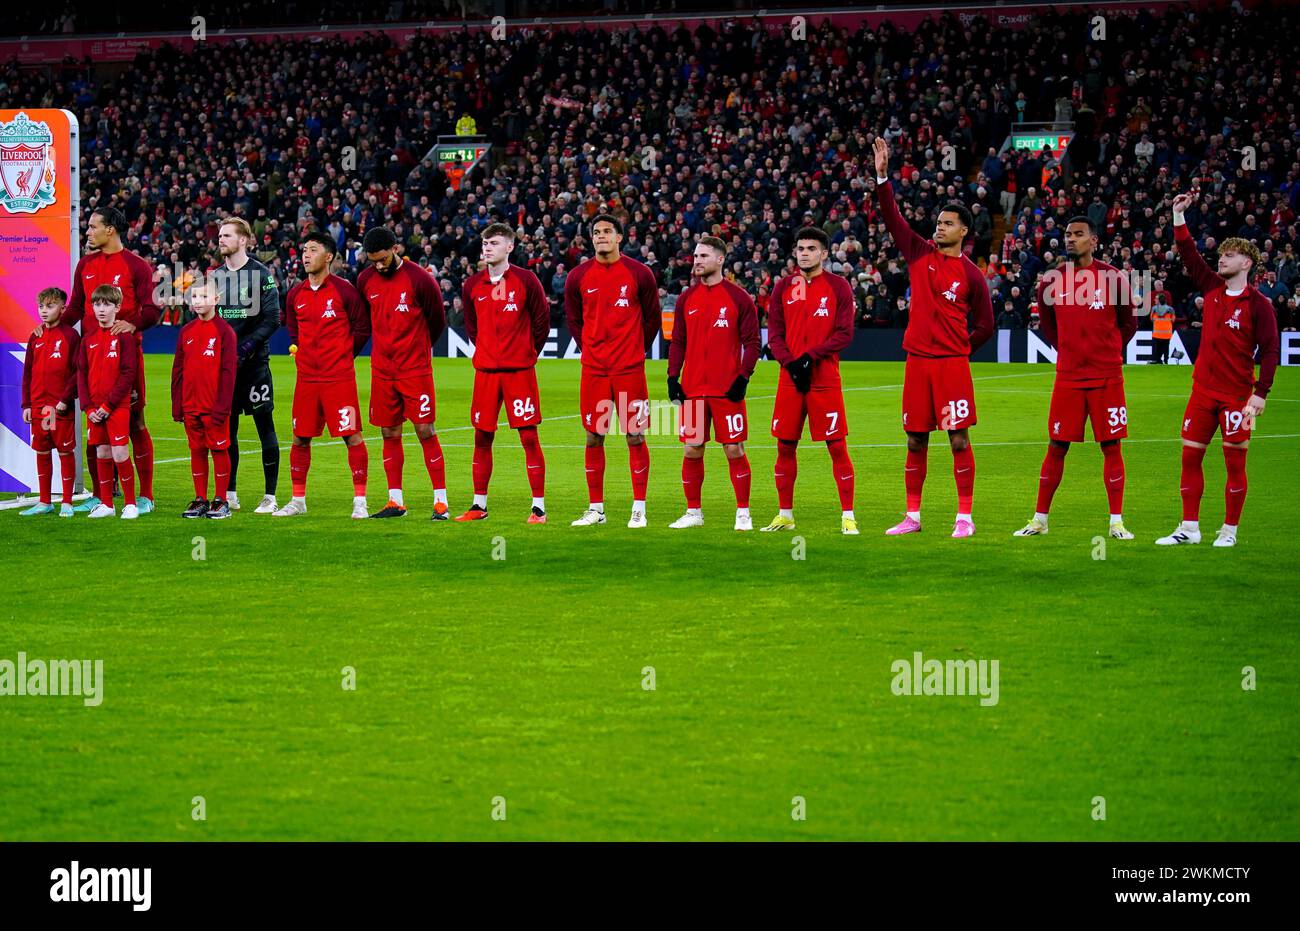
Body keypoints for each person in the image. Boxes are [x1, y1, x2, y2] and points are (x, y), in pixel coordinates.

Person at [872, 136, 994, 538]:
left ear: (963, 231)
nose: (938, 228)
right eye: (938, 223)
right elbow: (893, 219)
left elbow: (985, 326)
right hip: (917, 363)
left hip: (951, 366)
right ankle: (913, 516)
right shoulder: (919, 253)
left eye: (946, 224)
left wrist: (960, 351)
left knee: (958, 440)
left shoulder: (972, 275)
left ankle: (965, 517)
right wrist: (882, 177)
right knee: (914, 440)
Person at [1155, 191, 1280, 548]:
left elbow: (1270, 350)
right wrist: (1178, 216)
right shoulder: (1211, 288)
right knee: (1190, 457)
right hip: (1202, 392)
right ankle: (1189, 528)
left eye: (1230, 254)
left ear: (1247, 263)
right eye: (1222, 253)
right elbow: (1189, 255)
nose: (1222, 258)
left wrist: (1260, 394)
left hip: (1239, 398)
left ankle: (1229, 531)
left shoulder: (1259, 305)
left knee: (1234, 465)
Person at [1014, 217, 1138, 539]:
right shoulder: (1052, 281)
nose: (1070, 240)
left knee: (1111, 446)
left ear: (1094, 240)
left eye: (1078, 234)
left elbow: (1129, 325)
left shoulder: (1114, 278)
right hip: (1068, 376)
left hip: (1106, 376)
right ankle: (1040, 519)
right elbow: (1047, 323)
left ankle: (1116, 522)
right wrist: (1069, 351)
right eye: (1068, 234)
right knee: (1056, 445)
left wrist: (1105, 351)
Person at [760, 227, 859, 535]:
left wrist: (809, 358)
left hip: (824, 378)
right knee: (785, 445)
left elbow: (844, 333)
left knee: (837, 445)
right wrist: (791, 363)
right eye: (800, 248)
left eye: (810, 248)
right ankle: (785, 514)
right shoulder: (783, 287)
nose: (804, 253)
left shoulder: (839, 287)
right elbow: (774, 333)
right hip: (790, 379)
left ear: (824, 254)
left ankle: (848, 515)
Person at [62, 207, 160, 513]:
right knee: (95, 422)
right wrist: (51, 328)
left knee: (136, 421)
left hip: (125, 357)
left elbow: (153, 309)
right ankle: (102, 494)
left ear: (111, 230)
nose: (88, 232)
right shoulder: (85, 265)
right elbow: (76, 308)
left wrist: (133, 325)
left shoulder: (137, 266)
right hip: (91, 357)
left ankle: (145, 496)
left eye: (92, 227)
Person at [564, 214, 660, 528]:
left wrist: (633, 350)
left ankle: (639, 507)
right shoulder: (578, 276)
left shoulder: (639, 273)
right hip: (594, 370)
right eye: (596, 232)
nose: (601, 236)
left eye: (607, 231)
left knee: (634, 436)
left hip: (629, 370)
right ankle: (596, 509)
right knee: (593, 437)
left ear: (619, 237)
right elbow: (575, 320)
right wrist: (589, 349)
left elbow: (652, 319)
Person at [666, 236, 761, 531]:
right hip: (693, 390)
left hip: (726, 390)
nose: (696, 260)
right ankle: (693, 512)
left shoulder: (738, 297)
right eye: (695, 256)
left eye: (703, 256)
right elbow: (678, 341)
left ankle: (743, 512)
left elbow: (753, 342)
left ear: (720, 260)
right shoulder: (686, 299)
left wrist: (743, 377)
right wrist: (673, 376)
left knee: (734, 449)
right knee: (692, 449)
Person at [457, 223, 550, 523]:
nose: (486, 247)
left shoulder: (526, 280)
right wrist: (486, 352)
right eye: (484, 243)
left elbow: (541, 323)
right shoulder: (472, 285)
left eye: (494, 243)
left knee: (528, 438)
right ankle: (478, 505)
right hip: (485, 373)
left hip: (519, 372)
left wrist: (525, 354)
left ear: (510, 247)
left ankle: (538, 507)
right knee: (482, 437)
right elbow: (472, 327)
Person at [355, 226, 450, 520]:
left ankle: (441, 503)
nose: (379, 266)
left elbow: (437, 321)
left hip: (415, 370)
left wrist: (417, 350)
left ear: (395, 249)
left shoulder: (420, 279)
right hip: (382, 370)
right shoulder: (365, 280)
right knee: (388, 431)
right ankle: (395, 501)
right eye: (373, 261)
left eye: (383, 259)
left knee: (424, 430)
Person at [275, 232, 371, 518]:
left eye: (313, 250)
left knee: (351, 436)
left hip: (338, 379)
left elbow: (362, 328)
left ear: (328, 256)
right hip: (306, 380)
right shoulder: (295, 293)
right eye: (304, 250)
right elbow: (293, 328)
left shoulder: (345, 291)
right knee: (300, 438)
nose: (305, 255)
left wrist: (342, 357)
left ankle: (360, 501)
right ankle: (298, 500)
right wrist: (300, 352)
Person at [207, 216, 281, 514]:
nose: (220, 239)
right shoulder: (215, 276)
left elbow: (273, 318)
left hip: (254, 366)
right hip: (225, 368)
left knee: (265, 426)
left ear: (243, 240)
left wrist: (247, 346)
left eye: (227, 235)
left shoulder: (261, 275)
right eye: (220, 235)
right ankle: (231, 492)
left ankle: (270, 496)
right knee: (229, 429)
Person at [171, 279, 238, 519]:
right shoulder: (186, 331)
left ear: (216, 300)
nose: (198, 302)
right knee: (197, 450)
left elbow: (229, 373)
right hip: (191, 405)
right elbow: (177, 370)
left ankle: (221, 500)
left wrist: (222, 407)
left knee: (219, 450)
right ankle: (200, 498)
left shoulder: (224, 332)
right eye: (195, 297)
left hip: (214, 407)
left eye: (204, 297)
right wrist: (177, 403)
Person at [76, 285, 140, 520]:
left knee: (120, 452)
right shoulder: (88, 340)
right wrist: (89, 407)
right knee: (102, 452)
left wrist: (107, 406)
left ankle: (131, 504)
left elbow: (127, 374)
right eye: (97, 304)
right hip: (94, 409)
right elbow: (81, 375)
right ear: (92, 307)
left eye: (107, 304)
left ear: (117, 307)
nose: (102, 309)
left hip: (117, 407)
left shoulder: (124, 337)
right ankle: (106, 504)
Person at [20, 287, 79, 517]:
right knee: (42, 451)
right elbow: (28, 373)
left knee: (65, 451)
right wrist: (26, 404)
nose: (44, 311)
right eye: (41, 307)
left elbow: (76, 372)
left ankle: (66, 501)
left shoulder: (70, 336)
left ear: (62, 309)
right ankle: (45, 502)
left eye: (50, 306)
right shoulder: (35, 336)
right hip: (39, 408)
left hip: (59, 407)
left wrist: (65, 400)